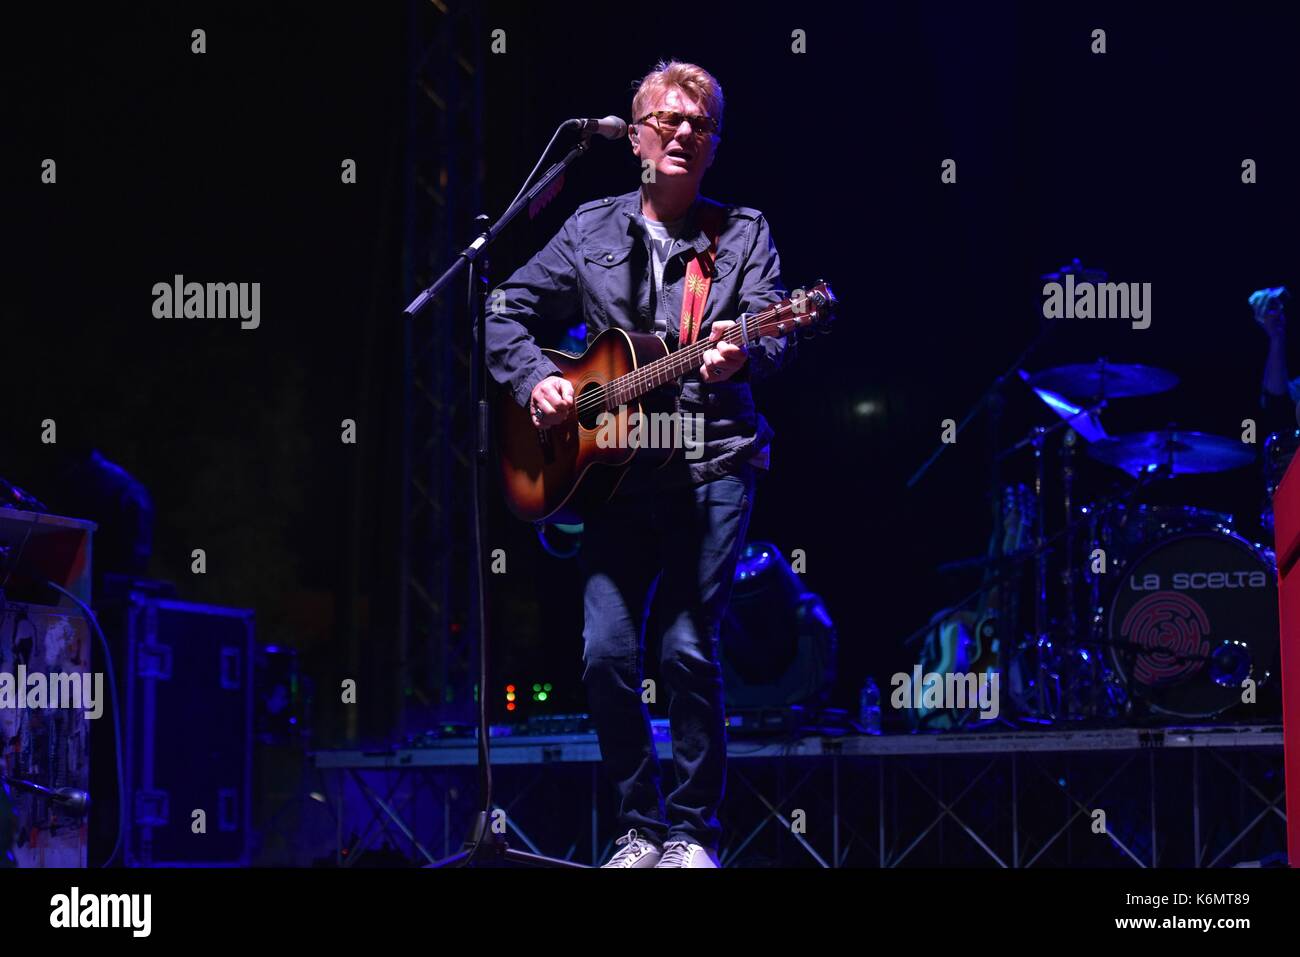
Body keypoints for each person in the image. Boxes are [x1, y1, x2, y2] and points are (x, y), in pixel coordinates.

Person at [485, 60, 795, 867]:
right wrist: (541, 380)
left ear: (714, 144)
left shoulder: (745, 234)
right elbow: (503, 307)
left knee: (688, 649)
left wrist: (743, 359)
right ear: (636, 135)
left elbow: (779, 332)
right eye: (669, 119)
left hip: (710, 460)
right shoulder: (590, 228)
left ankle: (694, 831)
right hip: (614, 475)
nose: (685, 133)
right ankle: (639, 826)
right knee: (604, 654)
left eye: (702, 124)